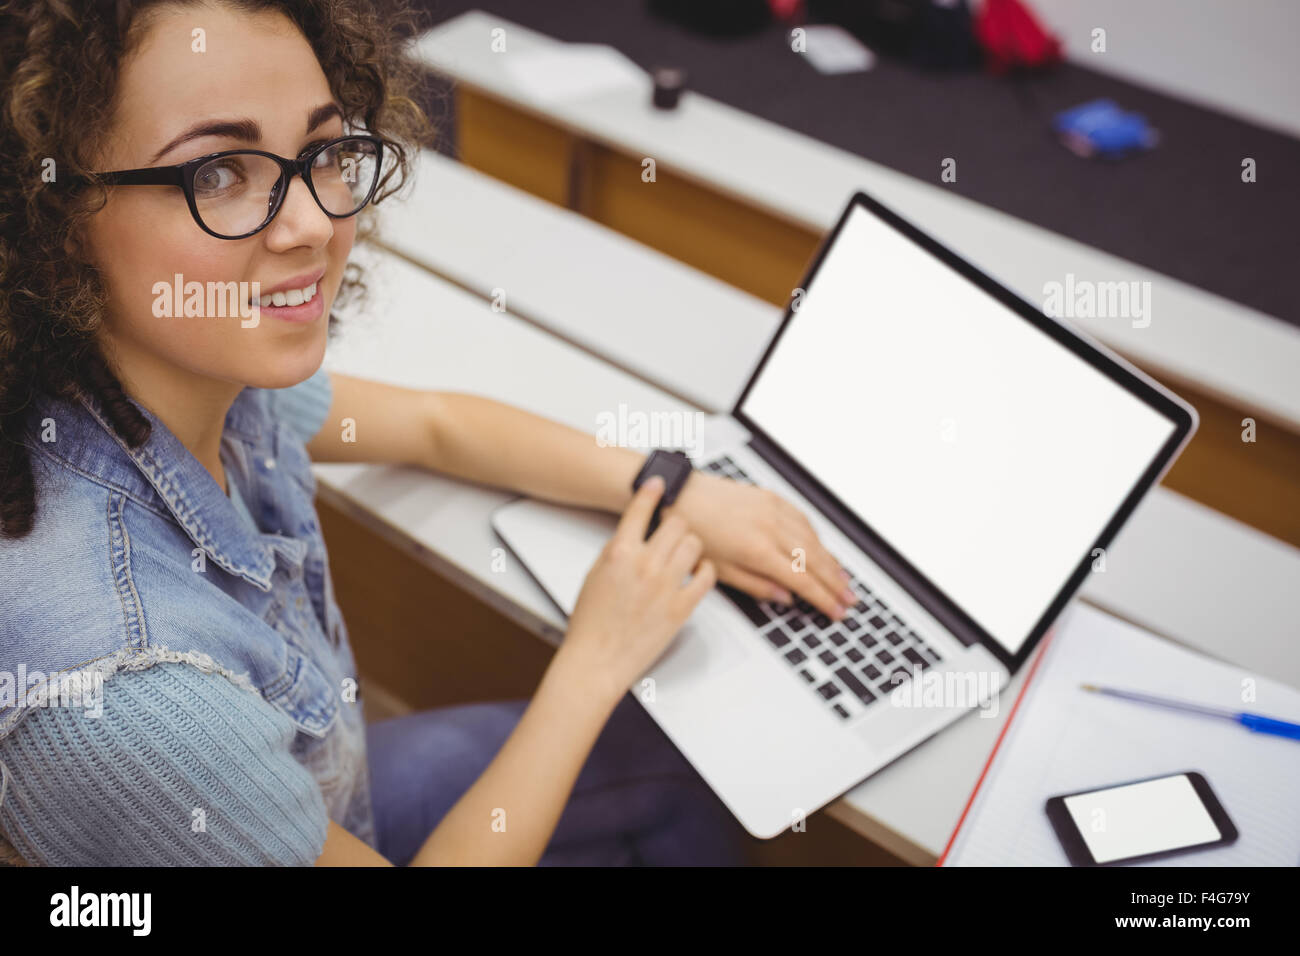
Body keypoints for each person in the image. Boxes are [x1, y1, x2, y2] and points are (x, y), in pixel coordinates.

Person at [0, 0, 855, 866]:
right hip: (271, 807)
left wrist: (677, 487)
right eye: (218, 171)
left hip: (321, 803)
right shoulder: (132, 704)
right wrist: (595, 660)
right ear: (54, 215)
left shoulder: (172, 367)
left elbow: (433, 426)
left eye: (324, 151)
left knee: (673, 770)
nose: (311, 225)